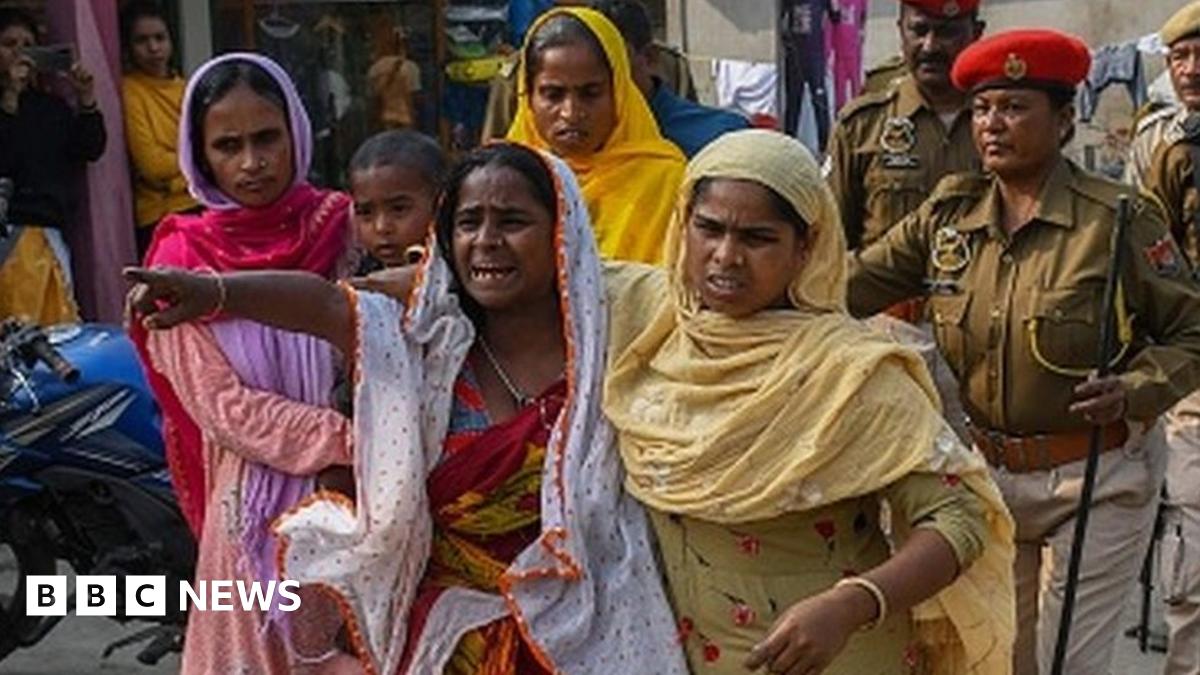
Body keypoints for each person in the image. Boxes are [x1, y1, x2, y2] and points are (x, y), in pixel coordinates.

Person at [125, 142, 689, 674]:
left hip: (586, 637)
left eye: (512, 222)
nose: (487, 240)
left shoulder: (611, 348)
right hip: (444, 643)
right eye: (469, 223)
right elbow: (326, 303)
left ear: (561, 234)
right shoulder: (430, 343)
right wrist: (215, 293)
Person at [848, 29, 1200, 675]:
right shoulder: (947, 216)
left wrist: (1137, 387)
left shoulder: (1118, 219)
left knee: (1067, 661)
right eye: (983, 108)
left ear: (1063, 121)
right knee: (998, 659)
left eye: (1014, 107)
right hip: (989, 479)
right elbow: (849, 285)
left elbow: (1191, 332)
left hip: (1096, 478)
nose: (992, 124)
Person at [601, 129, 1013, 675]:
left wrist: (852, 603)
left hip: (833, 654)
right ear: (683, 225)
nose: (726, 256)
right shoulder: (644, 323)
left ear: (804, 248)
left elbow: (959, 519)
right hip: (678, 657)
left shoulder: (849, 372)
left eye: (757, 237)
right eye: (709, 229)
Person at [130, 52, 358, 675]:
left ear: (297, 135)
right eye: (228, 146)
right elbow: (227, 411)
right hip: (251, 515)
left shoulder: (343, 227)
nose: (251, 162)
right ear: (201, 157)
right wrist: (352, 442)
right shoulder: (179, 257)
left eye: (267, 138)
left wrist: (366, 457)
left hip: (356, 502)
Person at [506, 6, 685, 263]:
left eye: (590, 93)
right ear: (528, 99)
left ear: (619, 94)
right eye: (553, 95)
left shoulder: (665, 181)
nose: (571, 112)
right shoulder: (507, 179)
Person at [1139, 5, 1200, 674]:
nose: (1192, 69)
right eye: (1179, 57)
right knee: (1193, 534)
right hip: (1195, 372)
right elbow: (1149, 260)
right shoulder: (1166, 146)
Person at [824, 0, 984, 252]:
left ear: (976, 33)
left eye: (947, 32)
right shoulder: (862, 126)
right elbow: (830, 241)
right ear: (901, 30)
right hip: (884, 289)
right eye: (919, 31)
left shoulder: (1002, 126)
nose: (930, 46)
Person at [0, 8, 105, 324]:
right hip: (8, 231)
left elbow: (89, 148)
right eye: (9, 44)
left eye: (28, 44)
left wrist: (86, 99)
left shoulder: (51, 107)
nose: (20, 53)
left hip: (47, 231)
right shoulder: (7, 106)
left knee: (55, 331)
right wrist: (9, 100)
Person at [590, 0, 749, 158]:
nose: (599, 80)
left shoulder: (722, 139)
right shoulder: (576, 145)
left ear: (649, 58)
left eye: (612, 62)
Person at [120, 0, 196, 259]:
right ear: (129, 48)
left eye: (159, 38)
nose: (153, 48)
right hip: (159, 216)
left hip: (202, 206)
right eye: (142, 40)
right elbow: (152, 166)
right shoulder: (130, 91)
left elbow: (211, 155)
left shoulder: (189, 89)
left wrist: (175, 179)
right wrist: (189, 171)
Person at [346, 129, 445, 274]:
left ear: (439, 205)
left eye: (398, 209)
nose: (381, 227)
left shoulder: (463, 280)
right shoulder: (360, 278)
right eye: (366, 213)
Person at [366, 25, 423, 131]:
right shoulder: (410, 67)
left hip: (386, 116)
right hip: (405, 115)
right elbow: (415, 96)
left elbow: (373, 98)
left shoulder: (375, 68)